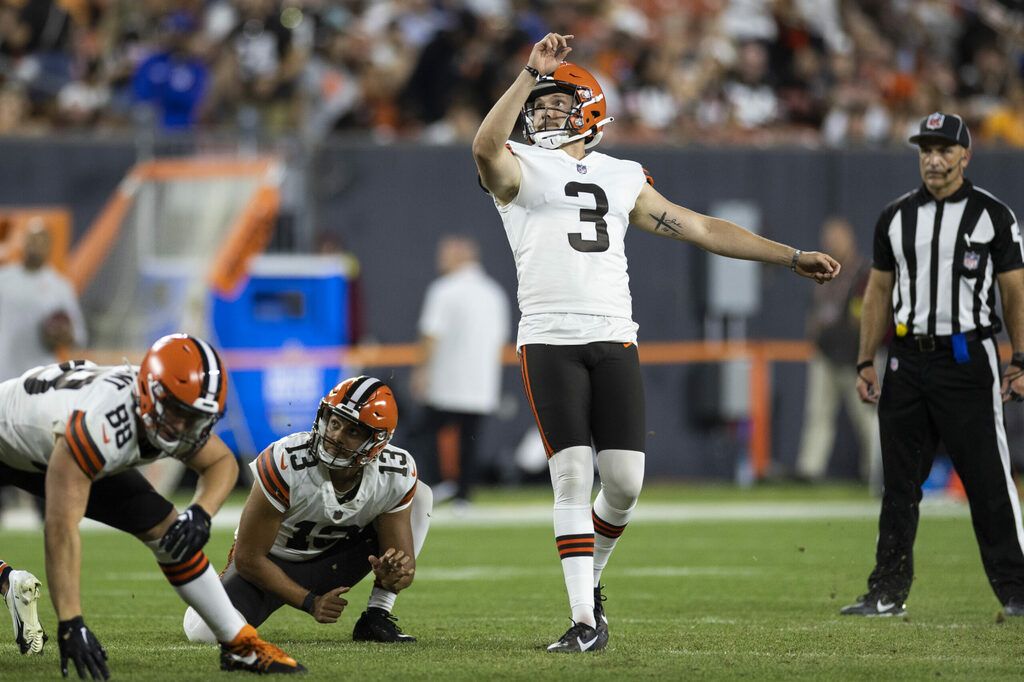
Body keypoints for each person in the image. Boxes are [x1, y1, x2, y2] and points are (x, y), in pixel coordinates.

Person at [471, 32, 840, 653]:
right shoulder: (519, 164)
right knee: (571, 474)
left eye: (558, 104)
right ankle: (584, 621)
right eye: (542, 104)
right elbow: (485, 146)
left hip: (615, 336)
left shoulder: (620, 176)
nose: (544, 113)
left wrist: (788, 257)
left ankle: (593, 589)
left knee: (624, 483)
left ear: (589, 112)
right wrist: (528, 76)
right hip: (550, 336)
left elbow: (697, 226)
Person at [0, 333, 305, 677]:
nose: (184, 427)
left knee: (168, 530)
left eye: (195, 417)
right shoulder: (100, 425)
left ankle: (240, 644)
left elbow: (221, 463)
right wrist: (71, 621)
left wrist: (201, 512)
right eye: (178, 412)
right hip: (21, 440)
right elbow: (60, 529)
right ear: (149, 394)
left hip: (45, 447)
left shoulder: (163, 412)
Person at [844, 112, 1024, 618]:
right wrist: (865, 360)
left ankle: (1017, 590)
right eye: (926, 150)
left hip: (968, 358)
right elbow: (879, 290)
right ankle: (886, 591)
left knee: (988, 480)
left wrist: (1020, 358)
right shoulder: (896, 217)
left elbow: (1015, 290)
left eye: (944, 149)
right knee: (898, 484)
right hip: (905, 359)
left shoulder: (993, 215)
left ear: (966, 156)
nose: (933, 159)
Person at [183, 375, 431, 645]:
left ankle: (377, 615)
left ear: (377, 441)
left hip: (339, 556)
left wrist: (394, 575)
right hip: (272, 562)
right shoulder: (286, 460)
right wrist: (310, 602)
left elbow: (403, 571)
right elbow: (248, 557)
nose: (335, 436)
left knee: (420, 495)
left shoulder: (395, 471)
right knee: (205, 632)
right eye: (335, 422)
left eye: (353, 431)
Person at [411, 234, 510, 505]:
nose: (440, 260)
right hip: (481, 382)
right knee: (470, 439)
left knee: (426, 433)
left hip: (447, 381)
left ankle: (436, 484)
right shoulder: (494, 293)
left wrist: (422, 371)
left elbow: (432, 333)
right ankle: (462, 493)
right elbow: (501, 336)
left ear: (460, 256)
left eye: (445, 254)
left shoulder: (444, 290)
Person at [794, 217, 880, 485]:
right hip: (826, 352)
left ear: (849, 239)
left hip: (855, 354)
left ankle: (877, 469)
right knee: (818, 413)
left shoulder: (863, 271)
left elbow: (868, 312)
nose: (830, 244)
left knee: (866, 414)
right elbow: (817, 311)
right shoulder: (823, 270)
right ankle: (809, 470)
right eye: (827, 239)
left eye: (836, 238)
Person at [0, 218, 86, 382]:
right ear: (23, 242)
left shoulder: (60, 286)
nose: (36, 245)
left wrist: (63, 334)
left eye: (41, 241)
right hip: (4, 373)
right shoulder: (3, 279)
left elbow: (79, 336)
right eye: (32, 239)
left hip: (41, 377)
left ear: (50, 246)